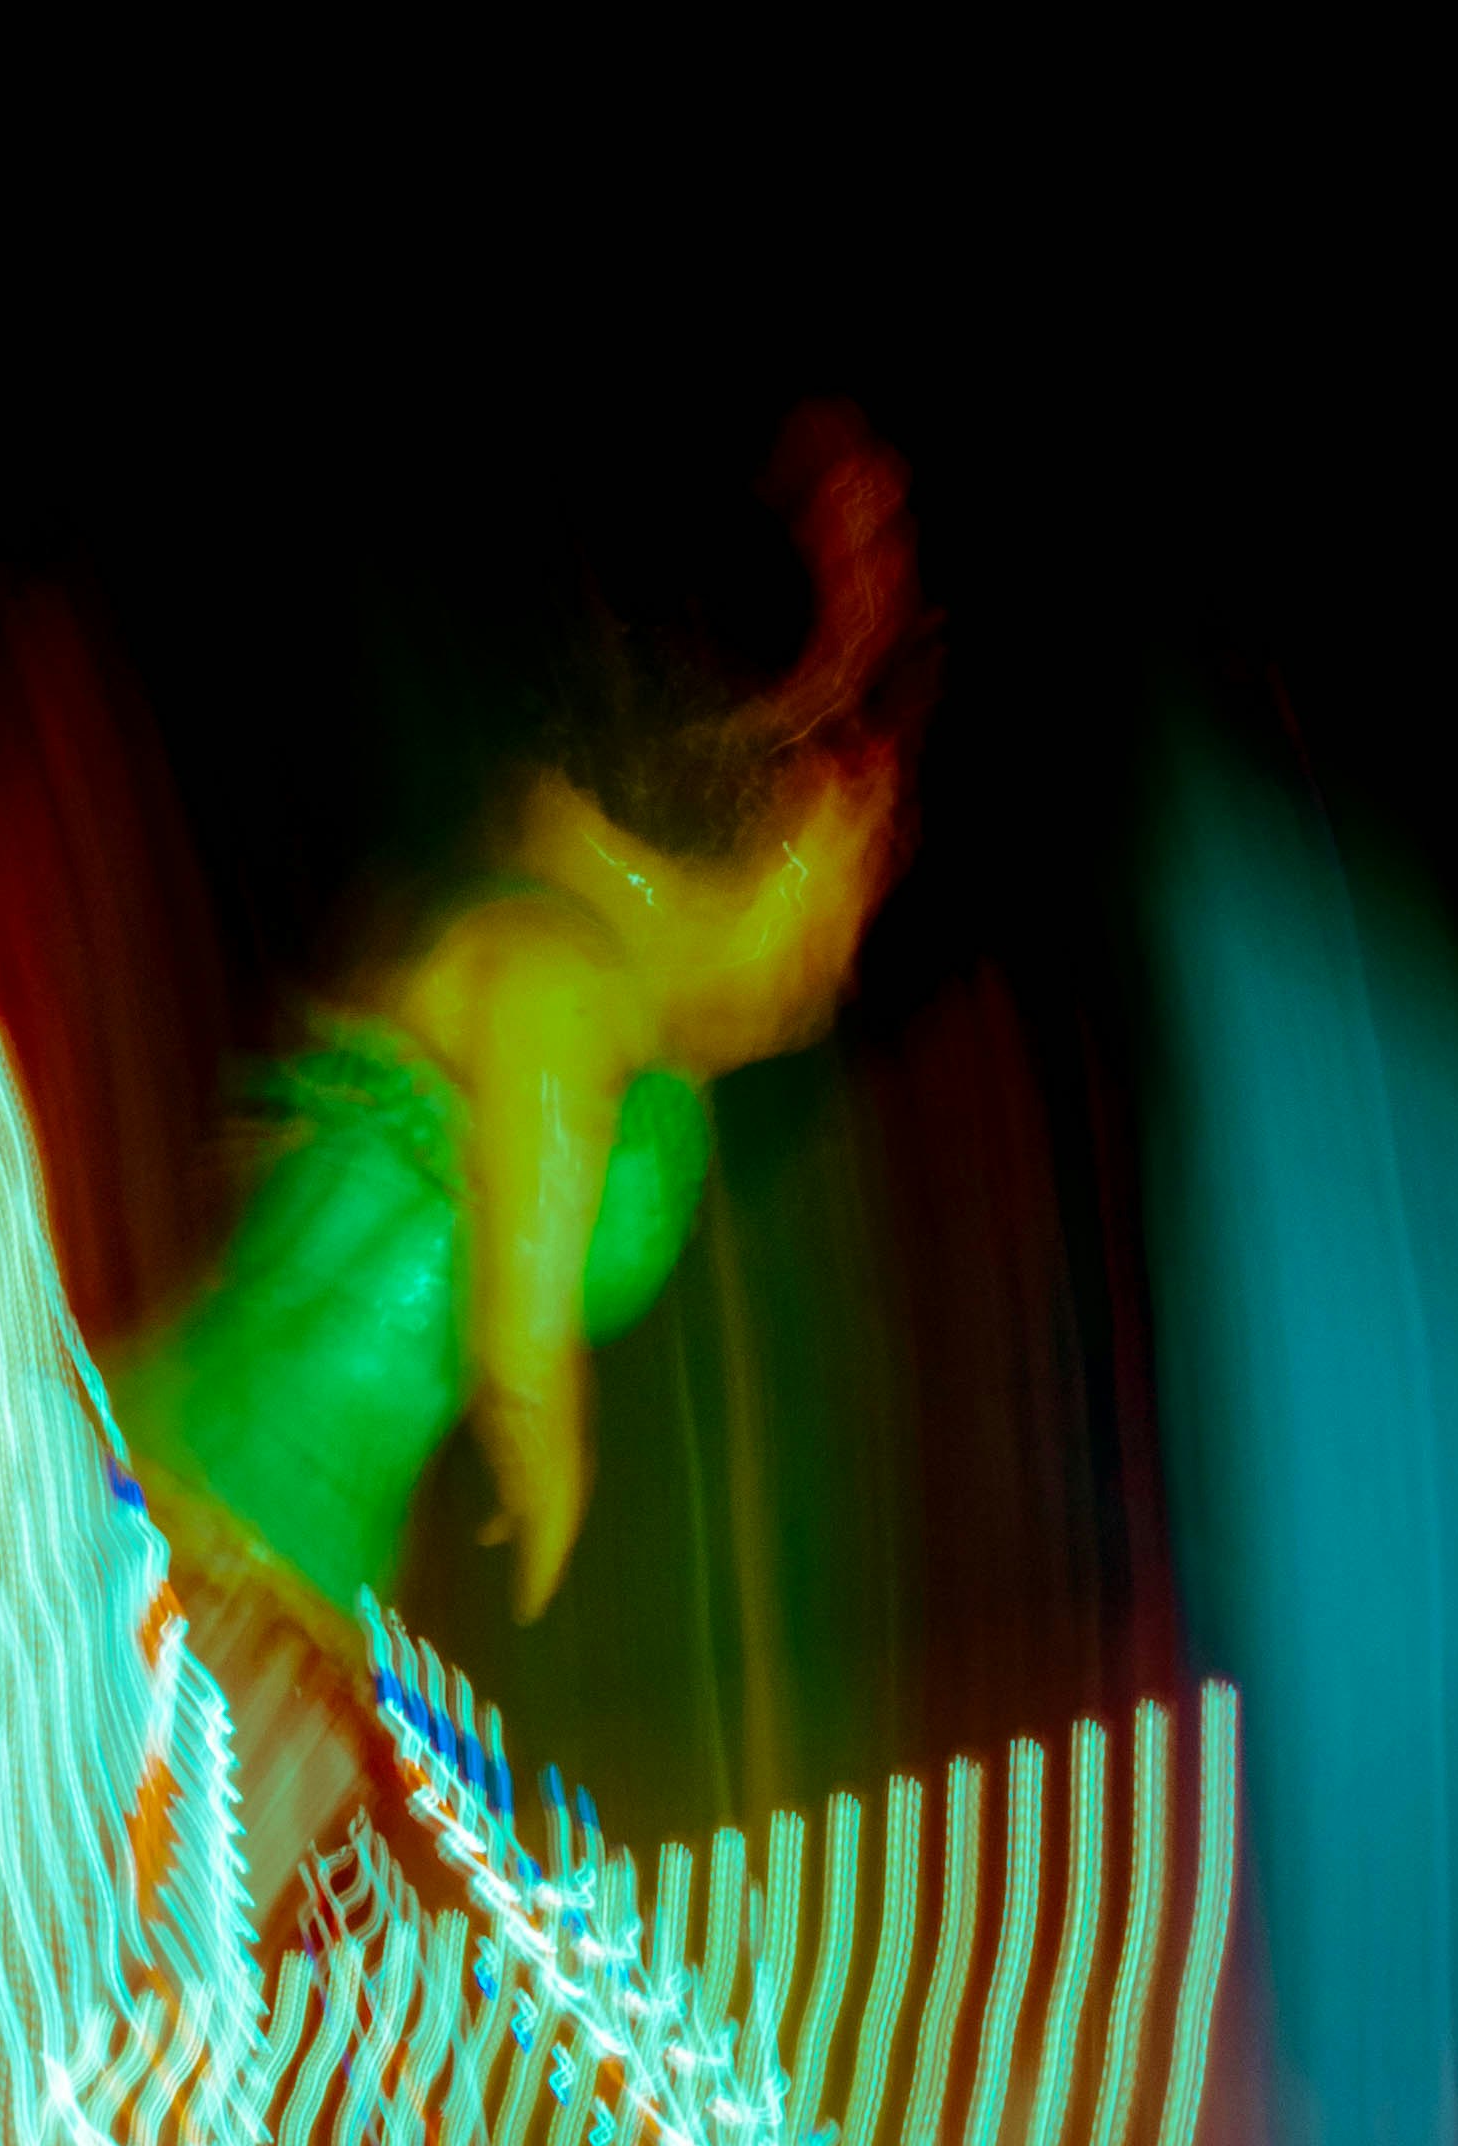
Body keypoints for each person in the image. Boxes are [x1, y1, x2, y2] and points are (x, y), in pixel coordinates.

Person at [118, 405, 923, 1928]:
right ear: (761, 841)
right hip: (175, 1533)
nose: (847, 935)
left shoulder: (631, 1052)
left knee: (118, 1988)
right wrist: (552, 1451)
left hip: (277, 1587)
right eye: (846, 871)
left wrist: (854, 626)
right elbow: (520, 1338)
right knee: (67, 1973)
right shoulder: (555, 976)